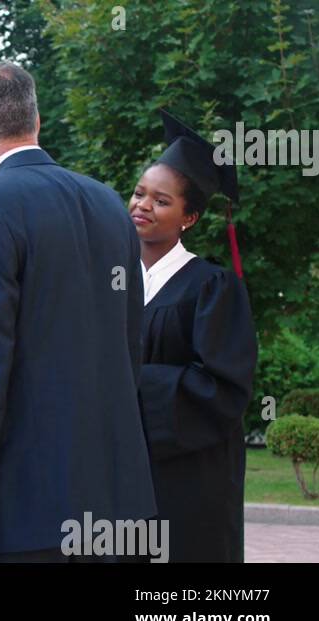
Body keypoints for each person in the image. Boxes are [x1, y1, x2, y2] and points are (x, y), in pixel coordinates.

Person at [0, 61, 157, 563]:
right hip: (119, 504)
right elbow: (128, 350)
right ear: (36, 122)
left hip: (29, 511)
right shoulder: (108, 204)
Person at [129, 110, 257, 562]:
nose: (143, 205)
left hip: (189, 481)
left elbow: (222, 389)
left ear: (191, 218)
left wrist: (125, 383)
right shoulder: (112, 283)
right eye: (140, 193)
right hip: (124, 472)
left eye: (161, 201)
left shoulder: (211, 286)